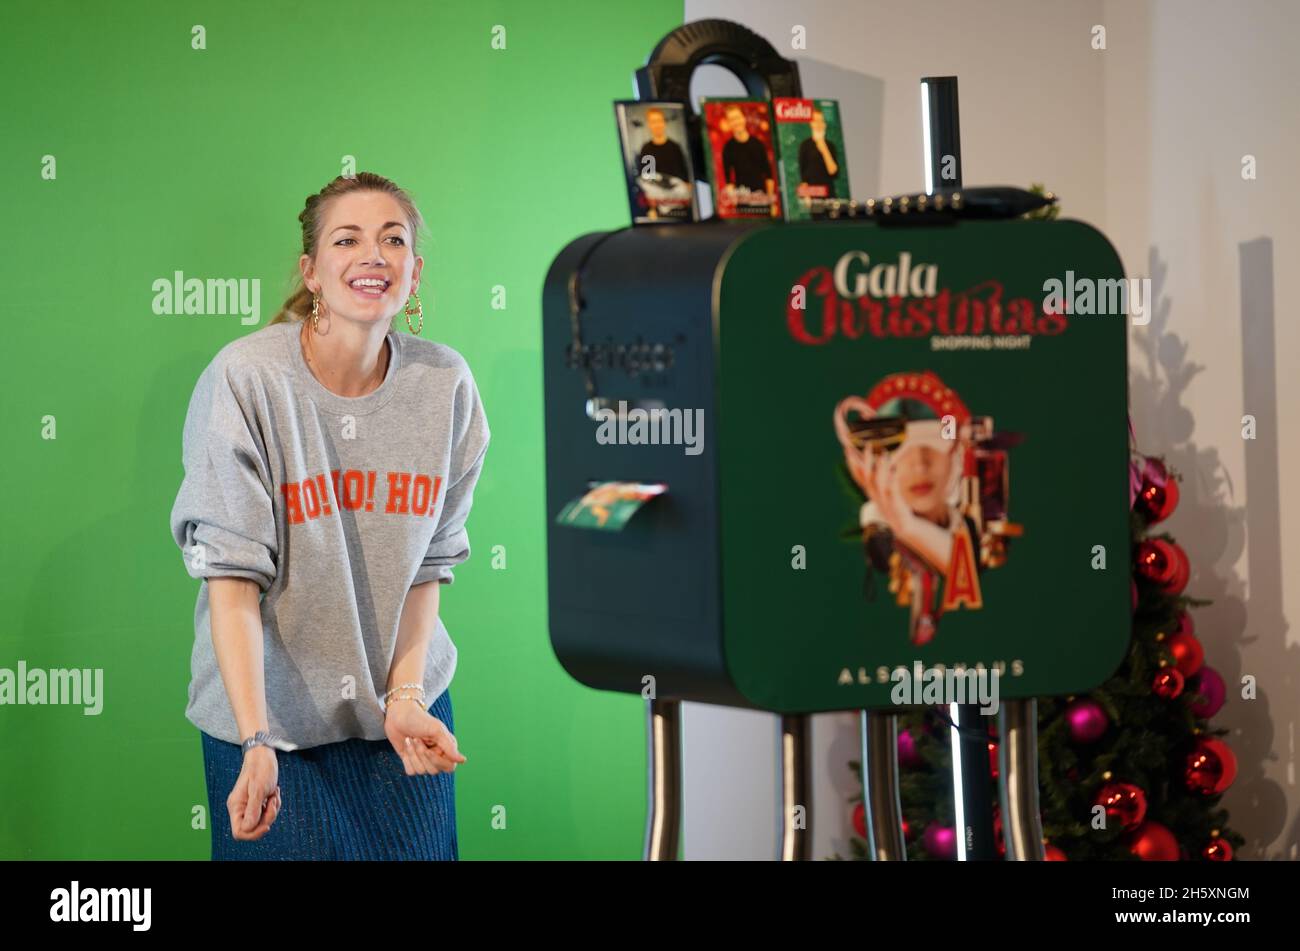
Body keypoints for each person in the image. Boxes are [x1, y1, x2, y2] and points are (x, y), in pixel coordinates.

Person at [169, 171, 489, 860]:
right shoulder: (247, 380)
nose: (373, 255)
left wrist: (405, 696)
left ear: (415, 271)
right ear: (312, 271)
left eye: (392, 239)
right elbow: (231, 582)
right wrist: (254, 737)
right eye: (348, 239)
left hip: (400, 720)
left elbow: (428, 566)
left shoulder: (446, 386)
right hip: (272, 725)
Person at [720, 104, 774, 198]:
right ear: (729, 123)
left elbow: (769, 175)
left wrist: (770, 201)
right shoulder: (728, 148)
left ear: (743, 118)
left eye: (737, 118)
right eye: (732, 120)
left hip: (762, 201)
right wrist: (735, 200)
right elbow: (728, 181)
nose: (736, 122)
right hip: (743, 201)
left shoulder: (758, 144)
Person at [797, 108, 840, 199]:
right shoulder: (805, 145)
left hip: (829, 194)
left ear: (825, 125)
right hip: (813, 195)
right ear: (811, 123)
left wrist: (824, 149)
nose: (819, 124)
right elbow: (802, 174)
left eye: (821, 121)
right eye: (816, 121)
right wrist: (806, 196)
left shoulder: (830, 146)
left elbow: (833, 172)